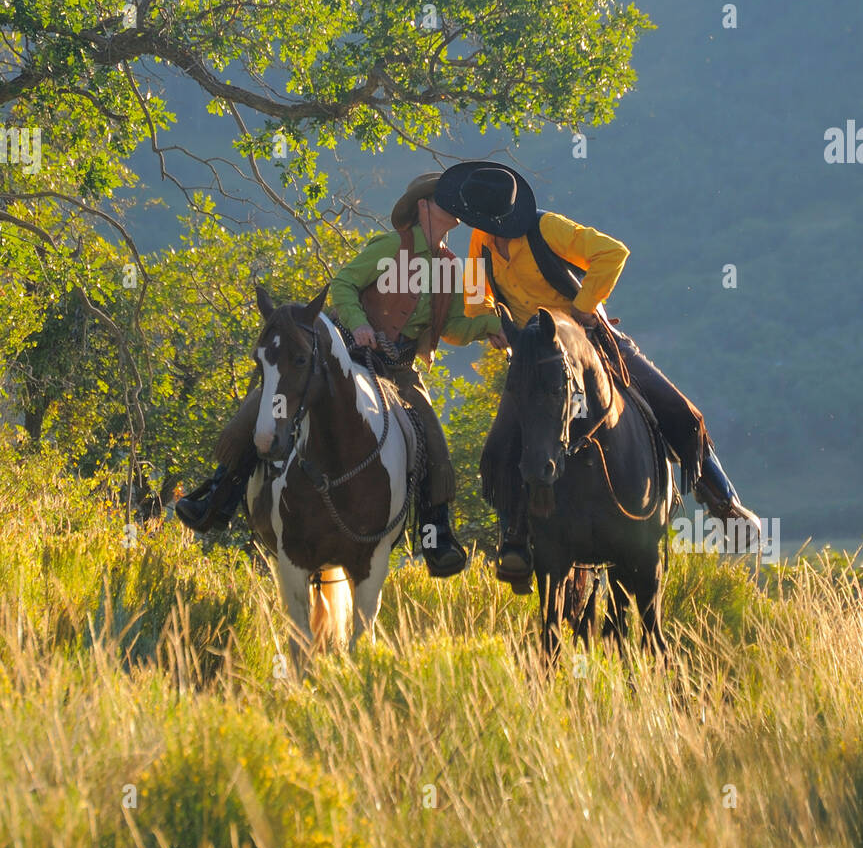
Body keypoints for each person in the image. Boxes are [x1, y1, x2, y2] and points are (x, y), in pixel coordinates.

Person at [433, 160, 761, 590]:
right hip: (536, 359)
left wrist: (584, 307)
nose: (477, 225)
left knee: (673, 407)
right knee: (499, 449)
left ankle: (723, 502)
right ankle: (515, 537)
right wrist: (495, 324)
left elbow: (611, 252)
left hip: (591, 342)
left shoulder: (547, 228)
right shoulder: (479, 245)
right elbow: (477, 302)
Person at [175, 172, 508, 578]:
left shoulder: (455, 268)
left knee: (432, 439)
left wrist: (493, 328)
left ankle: (435, 531)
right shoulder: (390, 248)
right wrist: (359, 324)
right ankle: (219, 491)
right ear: (423, 207)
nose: (454, 209)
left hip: (400, 369)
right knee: (271, 399)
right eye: (444, 201)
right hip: (347, 353)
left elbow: (455, 326)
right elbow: (344, 283)